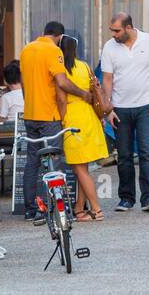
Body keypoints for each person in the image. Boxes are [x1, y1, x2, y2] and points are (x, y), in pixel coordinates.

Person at [19, 22, 90, 219]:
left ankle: (30, 208)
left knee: (32, 161)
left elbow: (24, 84)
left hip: (30, 114)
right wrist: (83, 93)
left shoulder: (26, 50)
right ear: (60, 36)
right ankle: (49, 208)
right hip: (49, 116)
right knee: (53, 163)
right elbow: (62, 82)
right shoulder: (53, 51)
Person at [100, 11, 149, 212]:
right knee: (123, 155)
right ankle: (126, 198)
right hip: (120, 109)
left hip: (145, 107)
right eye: (111, 30)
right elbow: (106, 79)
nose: (113, 34)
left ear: (129, 28)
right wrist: (108, 109)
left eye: (116, 30)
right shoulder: (109, 47)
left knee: (147, 152)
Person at [58, 34, 107, 220]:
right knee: (83, 168)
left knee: (79, 169)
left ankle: (96, 209)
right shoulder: (85, 66)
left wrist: (62, 121)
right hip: (89, 117)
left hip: (72, 119)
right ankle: (80, 210)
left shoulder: (60, 70)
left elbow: (62, 99)